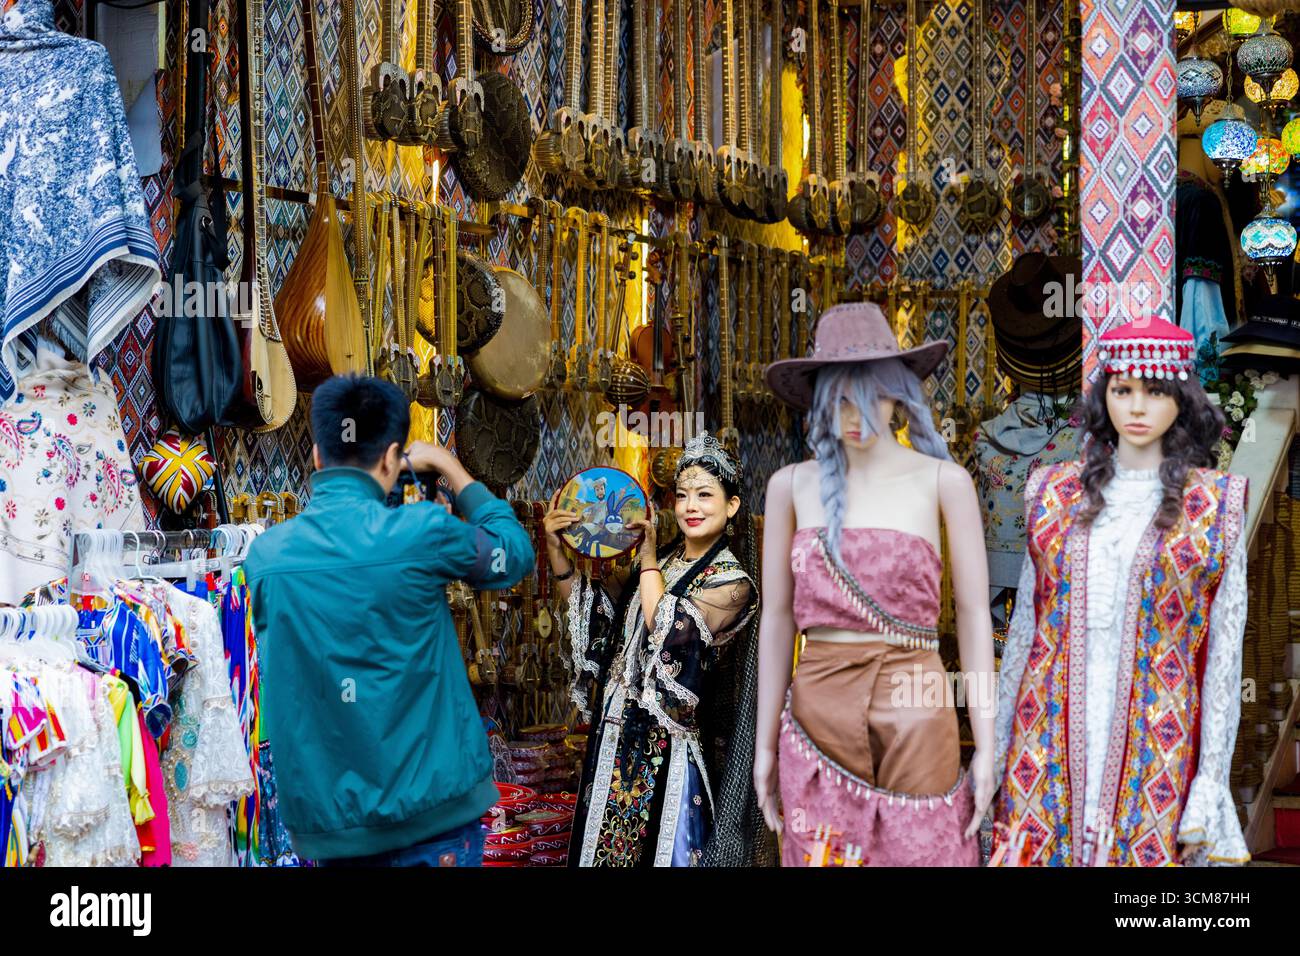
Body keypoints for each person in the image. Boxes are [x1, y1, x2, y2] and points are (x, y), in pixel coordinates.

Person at [243, 375, 534, 866]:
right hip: (434, 817)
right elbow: (514, 555)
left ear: (317, 454)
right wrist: (448, 466)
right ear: (391, 456)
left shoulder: (265, 558)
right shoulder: (422, 533)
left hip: (331, 829)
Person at [993, 317, 1249, 866]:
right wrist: (992, 753)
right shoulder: (1053, 493)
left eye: (1155, 391)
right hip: (1047, 735)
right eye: (1123, 389)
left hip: (1158, 737)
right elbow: (1022, 637)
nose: (1137, 407)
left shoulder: (1215, 505)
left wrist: (1211, 782)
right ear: (1103, 393)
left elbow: (1226, 663)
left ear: (1182, 398)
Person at [756, 301, 995, 866]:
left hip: (916, 703)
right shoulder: (790, 486)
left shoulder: (945, 482)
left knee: (925, 852)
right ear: (819, 403)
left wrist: (986, 743)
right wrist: (764, 744)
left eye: (874, 398)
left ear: (899, 395)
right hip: (817, 710)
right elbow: (776, 618)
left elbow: (975, 613)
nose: (857, 418)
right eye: (840, 402)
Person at [543, 433, 773, 866]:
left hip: (665, 749)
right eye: (682, 495)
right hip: (613, 739)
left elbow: (667, 633)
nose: (691, 506)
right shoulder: (660, 562)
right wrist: (557, 551)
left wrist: (646, 558)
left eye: (706, 495)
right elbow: (594, 616)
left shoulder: (733, 584)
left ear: (732, 506)